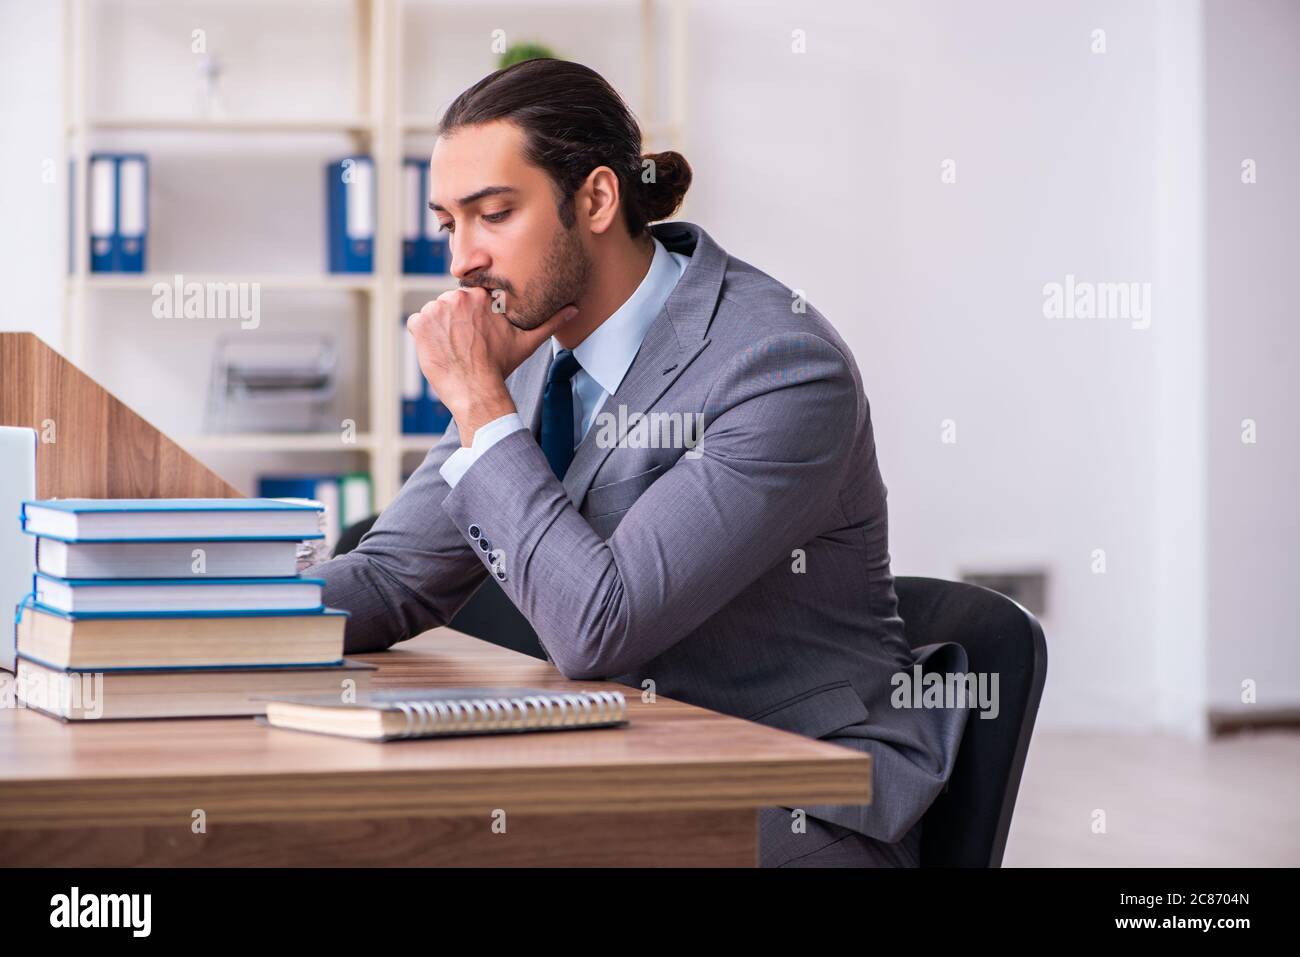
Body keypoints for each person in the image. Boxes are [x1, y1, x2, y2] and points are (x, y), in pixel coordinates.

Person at [308, 57, 969, 867]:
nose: (461, 262)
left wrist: (480, 402)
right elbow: (392, 578)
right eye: (450, 224)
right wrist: (180, 606)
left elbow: (599, 626)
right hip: (627, 759)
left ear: (594, 198)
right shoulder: (528, 340)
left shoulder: (780, 364)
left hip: (795, 795)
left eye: (493, 214)